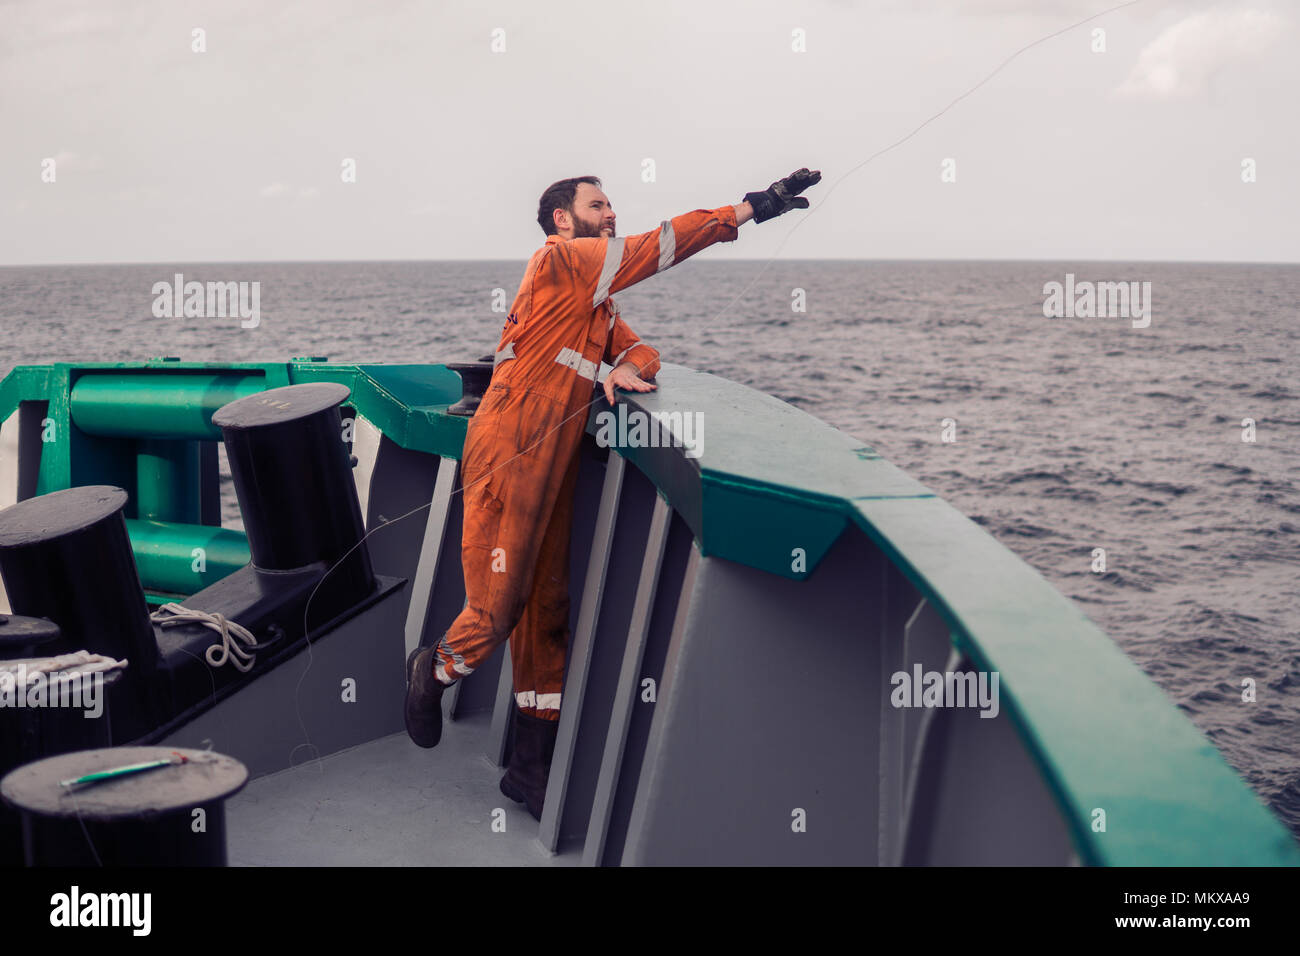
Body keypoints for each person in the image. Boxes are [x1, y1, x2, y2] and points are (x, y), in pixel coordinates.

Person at [405, 168, 822, 821]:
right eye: (597, 206)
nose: (610, 215)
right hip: (510, 452)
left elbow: (642, 350)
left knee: (547, 613)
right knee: (496, 609)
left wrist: (628, 366)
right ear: (563, 221)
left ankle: (529, 769)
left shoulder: (594, 304)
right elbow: (662, 244)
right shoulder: (561, 260)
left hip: (554, 463)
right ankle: (432, 672)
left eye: (610, 205)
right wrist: (750, 209)